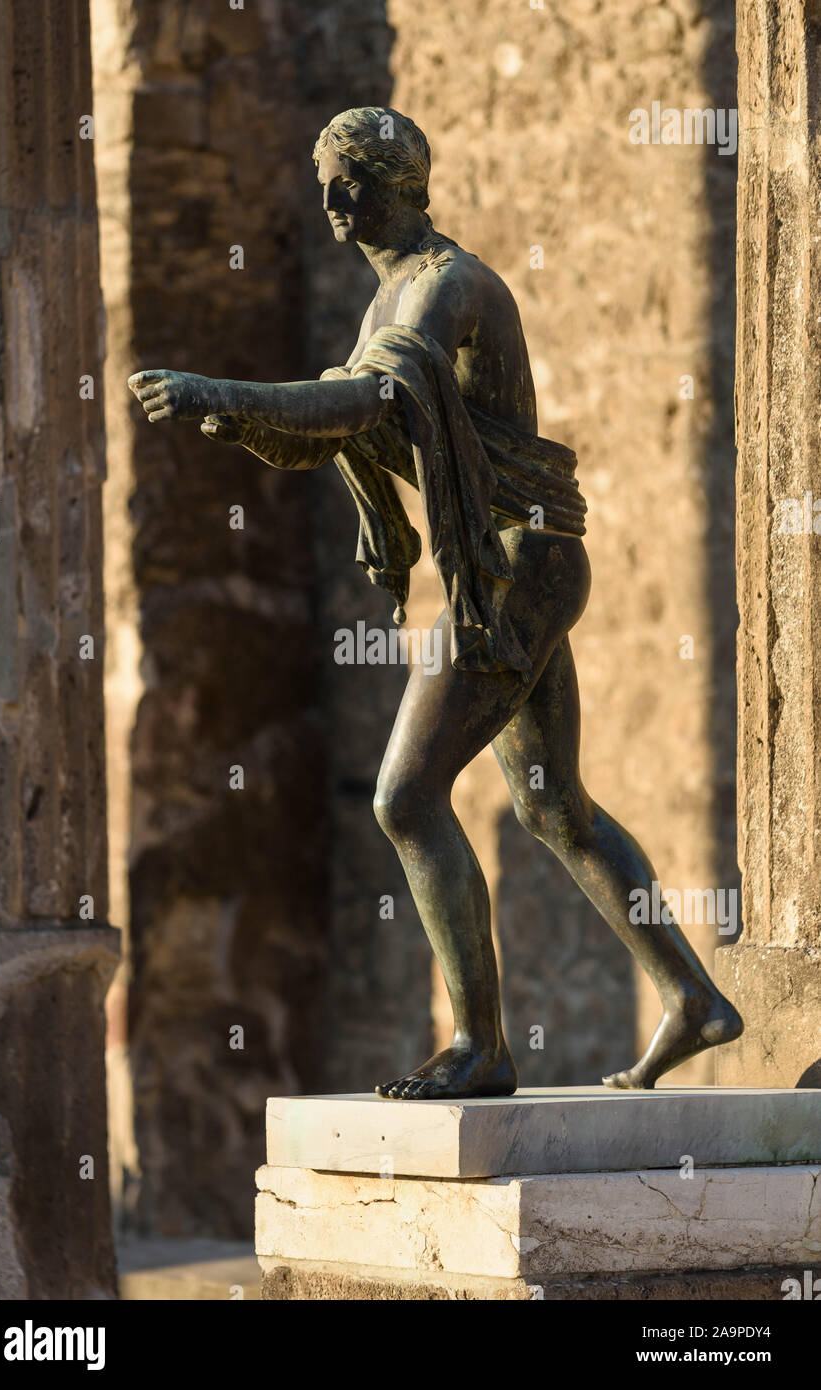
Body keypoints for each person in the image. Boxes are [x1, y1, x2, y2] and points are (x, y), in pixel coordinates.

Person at [129, 106, 742, 1100]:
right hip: (514, 563)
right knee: (552, 806)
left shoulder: (446, 289)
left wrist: (226, 396)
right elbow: (345, 420)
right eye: (321, 180)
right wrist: (242, 419)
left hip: (516, 568)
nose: (327, 200)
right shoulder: (388, 304)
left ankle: (483, 1047)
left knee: (405, 796)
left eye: (346, 181)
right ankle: (695, 998)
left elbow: (369, 405)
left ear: (396, 183)